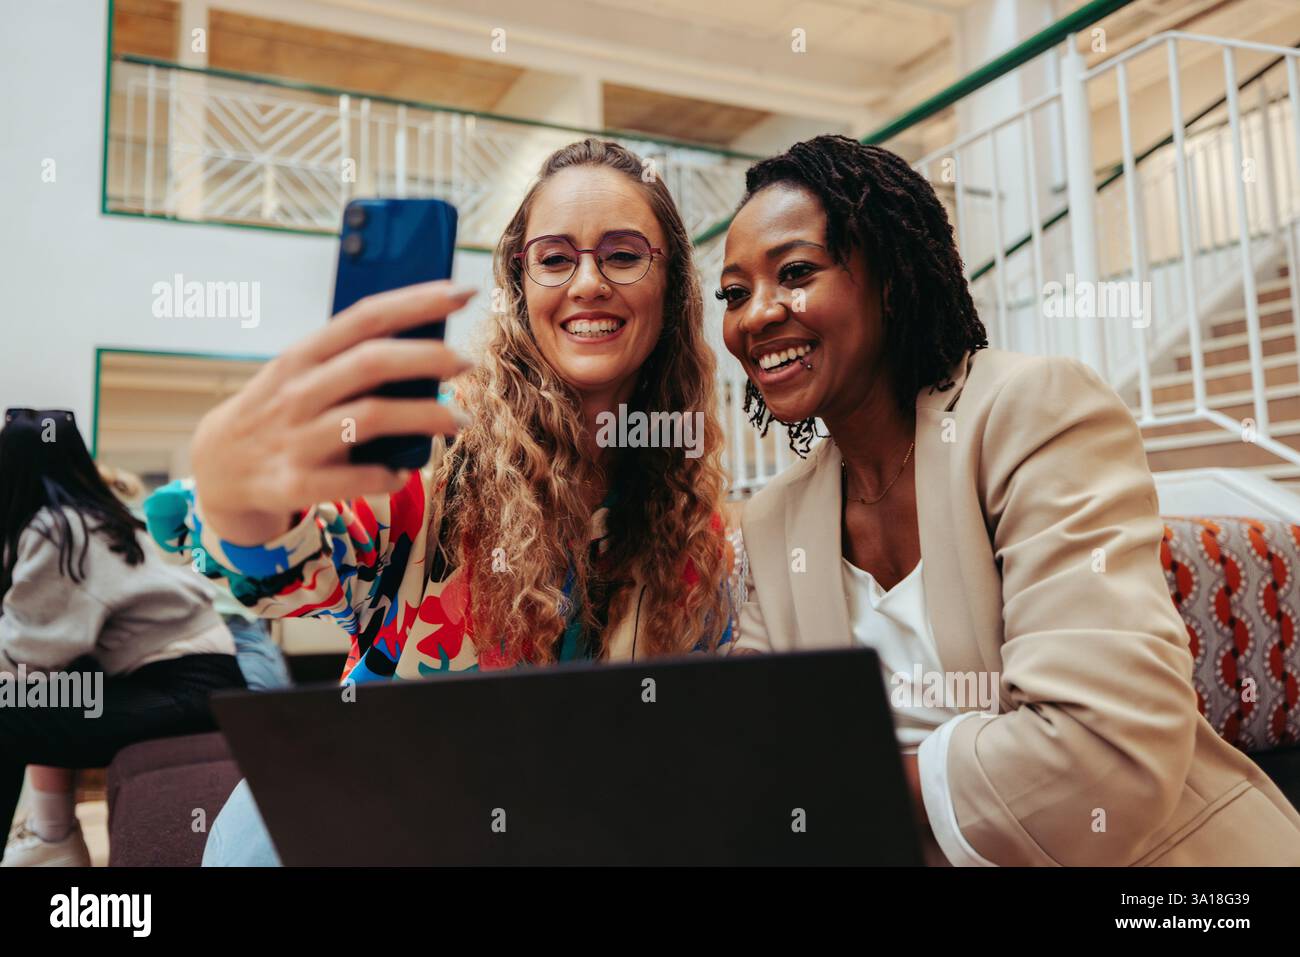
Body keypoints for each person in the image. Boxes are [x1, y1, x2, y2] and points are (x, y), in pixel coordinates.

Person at [146, 138, 740, 865]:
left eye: (622, 254)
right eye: (555, 258)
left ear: (671, 284)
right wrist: (238, 495)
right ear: (521, 285)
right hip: (356, 822)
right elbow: (309, 550)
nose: (587, 282)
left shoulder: (690, 520)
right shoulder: (437, 447)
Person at [719, 134, 1300, 866]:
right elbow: (763, 754)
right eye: (734, 293)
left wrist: (857, 785)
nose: (757, 315)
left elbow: (1101, 754)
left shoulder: (1031, 413)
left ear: (891, 280)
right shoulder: (775, 520)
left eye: (796, 272)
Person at [0, 408, 245, 866]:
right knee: (46, 692)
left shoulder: (58, 526)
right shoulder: (98, 515)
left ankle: (53, 840)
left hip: (184, 687)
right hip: (200, 682)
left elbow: (28, 654)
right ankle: (53, 839)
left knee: (10, 709)